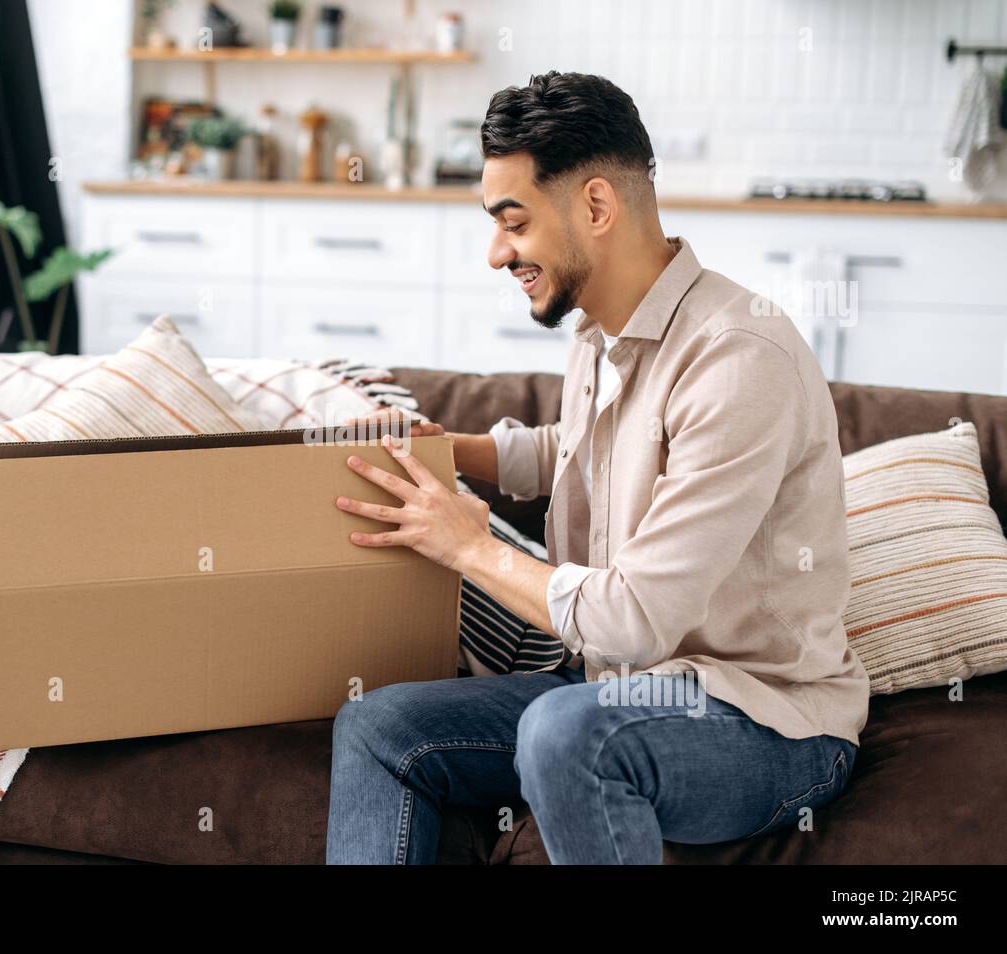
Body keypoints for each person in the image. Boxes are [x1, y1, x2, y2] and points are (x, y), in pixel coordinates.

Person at [325, 70, 869, 865]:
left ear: (596, 207)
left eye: (513, 223)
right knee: (377, 725)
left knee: (565, 728)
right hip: (617, 692)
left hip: (763, 722)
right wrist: (452, 452)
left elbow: (634, 618)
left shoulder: (738, 357)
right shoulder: (599, 332)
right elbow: (580, 449)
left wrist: (471, 547)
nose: (495, 253)